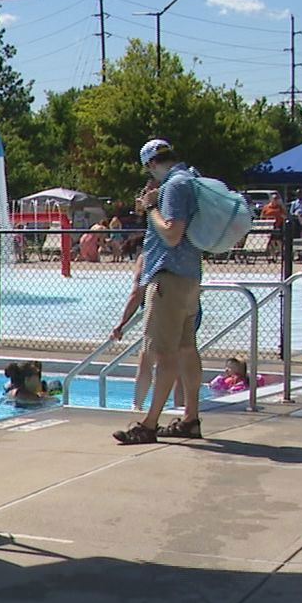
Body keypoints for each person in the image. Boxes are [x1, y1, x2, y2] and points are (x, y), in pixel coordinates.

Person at [112, 139, 205, 445]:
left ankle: (149, 424)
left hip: (168, 278)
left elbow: (172, 232)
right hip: (190, 277)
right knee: (186, 350)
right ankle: (190, 419)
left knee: (163, 353)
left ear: (151, 164)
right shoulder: (191, 178)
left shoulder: (175, 187)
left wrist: (151, 206)